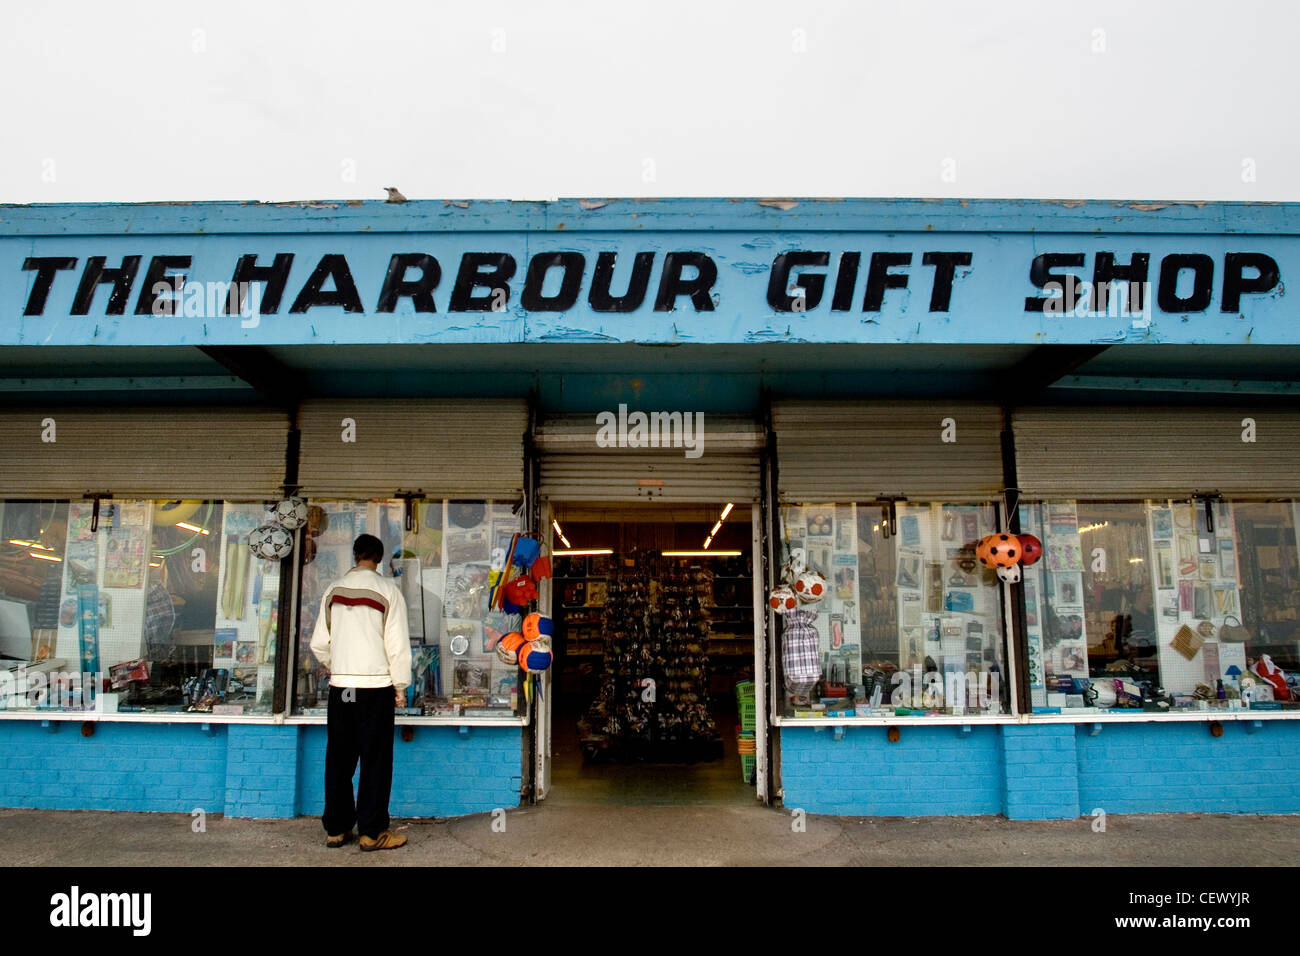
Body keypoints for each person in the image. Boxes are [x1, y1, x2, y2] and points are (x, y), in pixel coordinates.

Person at [309, 533, 412, 851]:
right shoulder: (388, 591)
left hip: (342, 689)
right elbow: (396, 646)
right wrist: (400, 686)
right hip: (375, 689)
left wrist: (338, 665)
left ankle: (337, 829)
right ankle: (372, 832)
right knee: (375, 761)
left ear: (355, 556)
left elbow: (318, 644)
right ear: (379, 559)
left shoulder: (333, 590)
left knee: (339, 759)